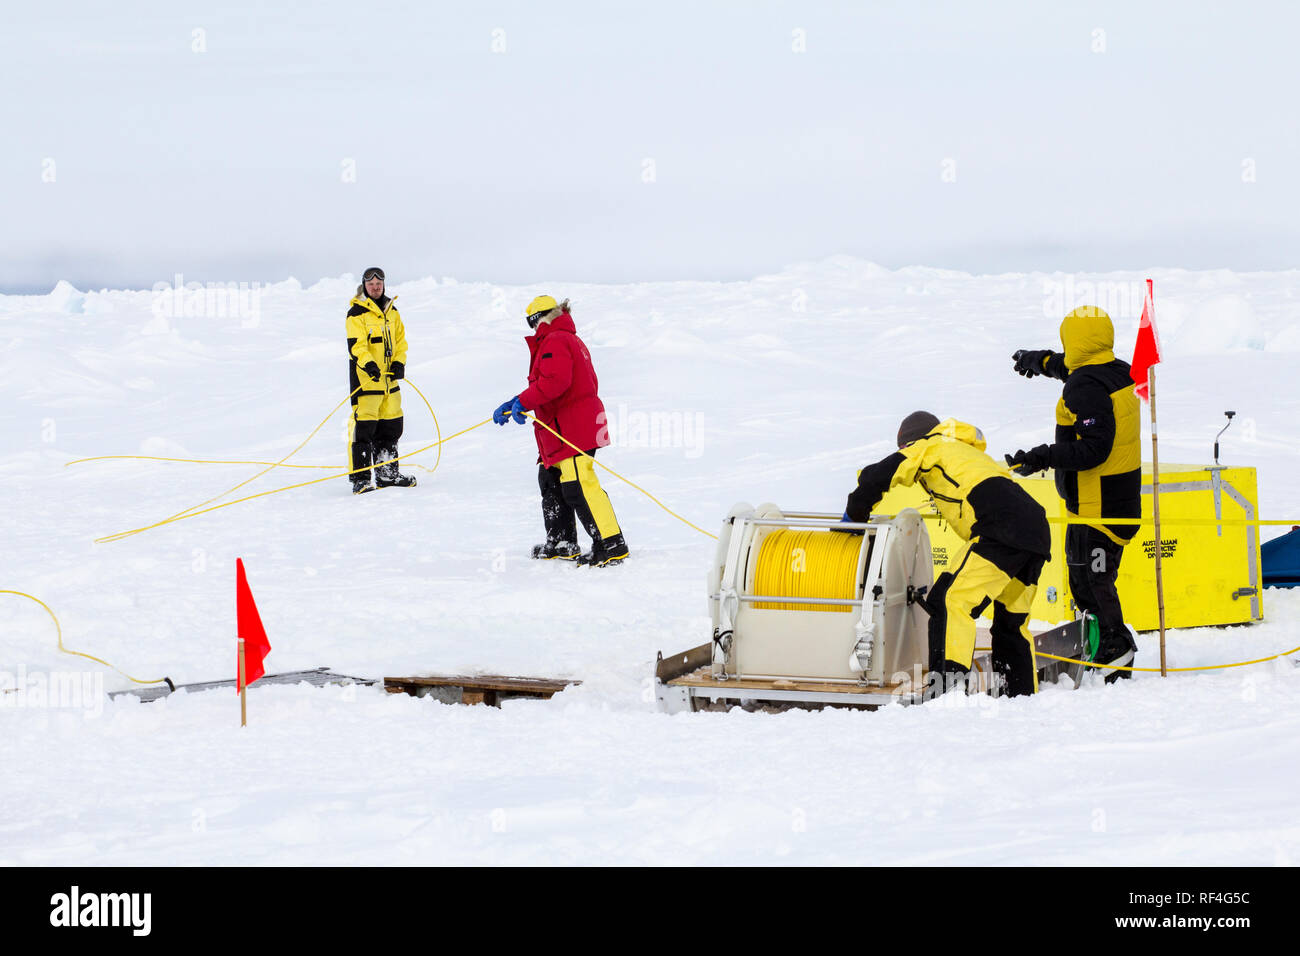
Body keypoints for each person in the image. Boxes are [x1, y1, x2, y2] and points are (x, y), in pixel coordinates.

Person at [843, 412, 1051, 697]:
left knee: (949, 600)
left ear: (908, 444)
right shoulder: (963, 451)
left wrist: (852, 518)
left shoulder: (928, 447)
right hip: (1035, 530)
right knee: (1011, 622)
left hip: (1001, 528)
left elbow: (876, 476)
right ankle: (1021, 695)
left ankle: (948, 691)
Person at [1007, 305, 1141, 681]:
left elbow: (1095, 448)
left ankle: (1116, 651)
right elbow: (1070, 367)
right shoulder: (1116, 370)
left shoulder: (1085, 386)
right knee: (1091, 582)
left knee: (1091, 583)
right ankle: (1100, 646)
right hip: (1120, 498)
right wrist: (1038, 361)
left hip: (1096, 506)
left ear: (1075, 340)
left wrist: (1042, 456)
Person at [493, 295, 629, 567]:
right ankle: (562, 542)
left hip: (572, 428)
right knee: (551, 480)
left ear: (538, 319)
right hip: (560, 429)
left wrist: (525, 402)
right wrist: (516, 402)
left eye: (533, 324)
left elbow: (555, 383)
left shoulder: (555, 340)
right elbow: (547, 384)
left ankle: (611, 543)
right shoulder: (563, 339)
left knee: (579, 484)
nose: (533, 330)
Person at [346, 267, 415, 494]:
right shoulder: (356, 313)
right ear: (364, 286)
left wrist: (399, 363)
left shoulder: (392, 312)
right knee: (364, 430)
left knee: (391, 427)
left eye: (379, 283)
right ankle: (361, 479)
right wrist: (369, 365)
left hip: (389, 384)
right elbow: (357, 346)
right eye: (371, 284)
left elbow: (401, 341)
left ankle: (388, 475)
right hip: (367, 383)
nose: (375, 287)